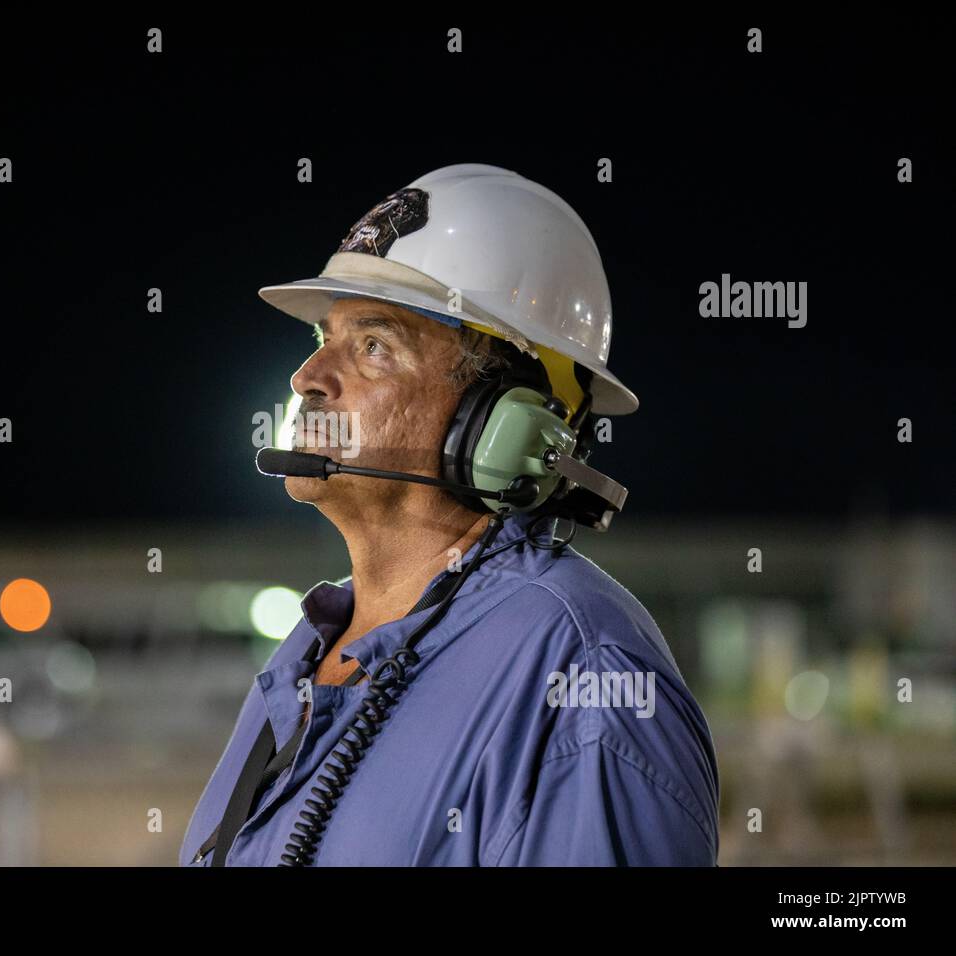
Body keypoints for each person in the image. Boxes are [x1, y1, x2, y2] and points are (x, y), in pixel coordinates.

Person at [180, 164, 719, 866]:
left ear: (504, 423)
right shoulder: (308, 650)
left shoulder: (582, 673)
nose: (306, 379)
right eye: (323, 342)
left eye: (374, 346)